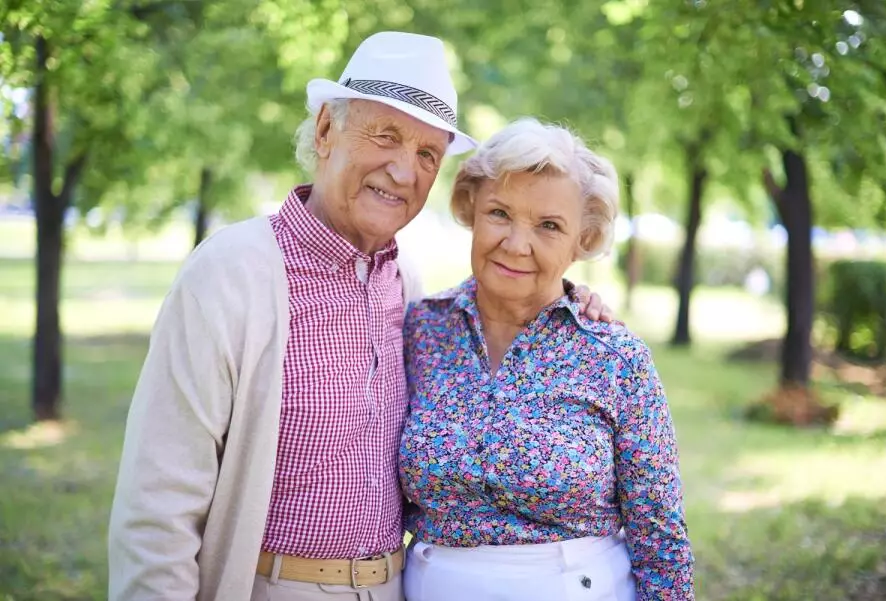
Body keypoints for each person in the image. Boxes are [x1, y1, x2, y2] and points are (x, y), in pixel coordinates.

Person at [108, 32, 609, 601]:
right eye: (385, 136)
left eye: (427, 154)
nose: (403, 171)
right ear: (325, 131)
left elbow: (507, 301)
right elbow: (157, 508)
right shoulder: (231, 274)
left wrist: (570, 302)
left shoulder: (408, 291)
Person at [400, 119, 695, 601]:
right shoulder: (420, 330)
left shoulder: (615, 357)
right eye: (499, 213)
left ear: (584, 239)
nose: (517, 244)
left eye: (549, 226)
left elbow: (659, 537)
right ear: (471, 207)